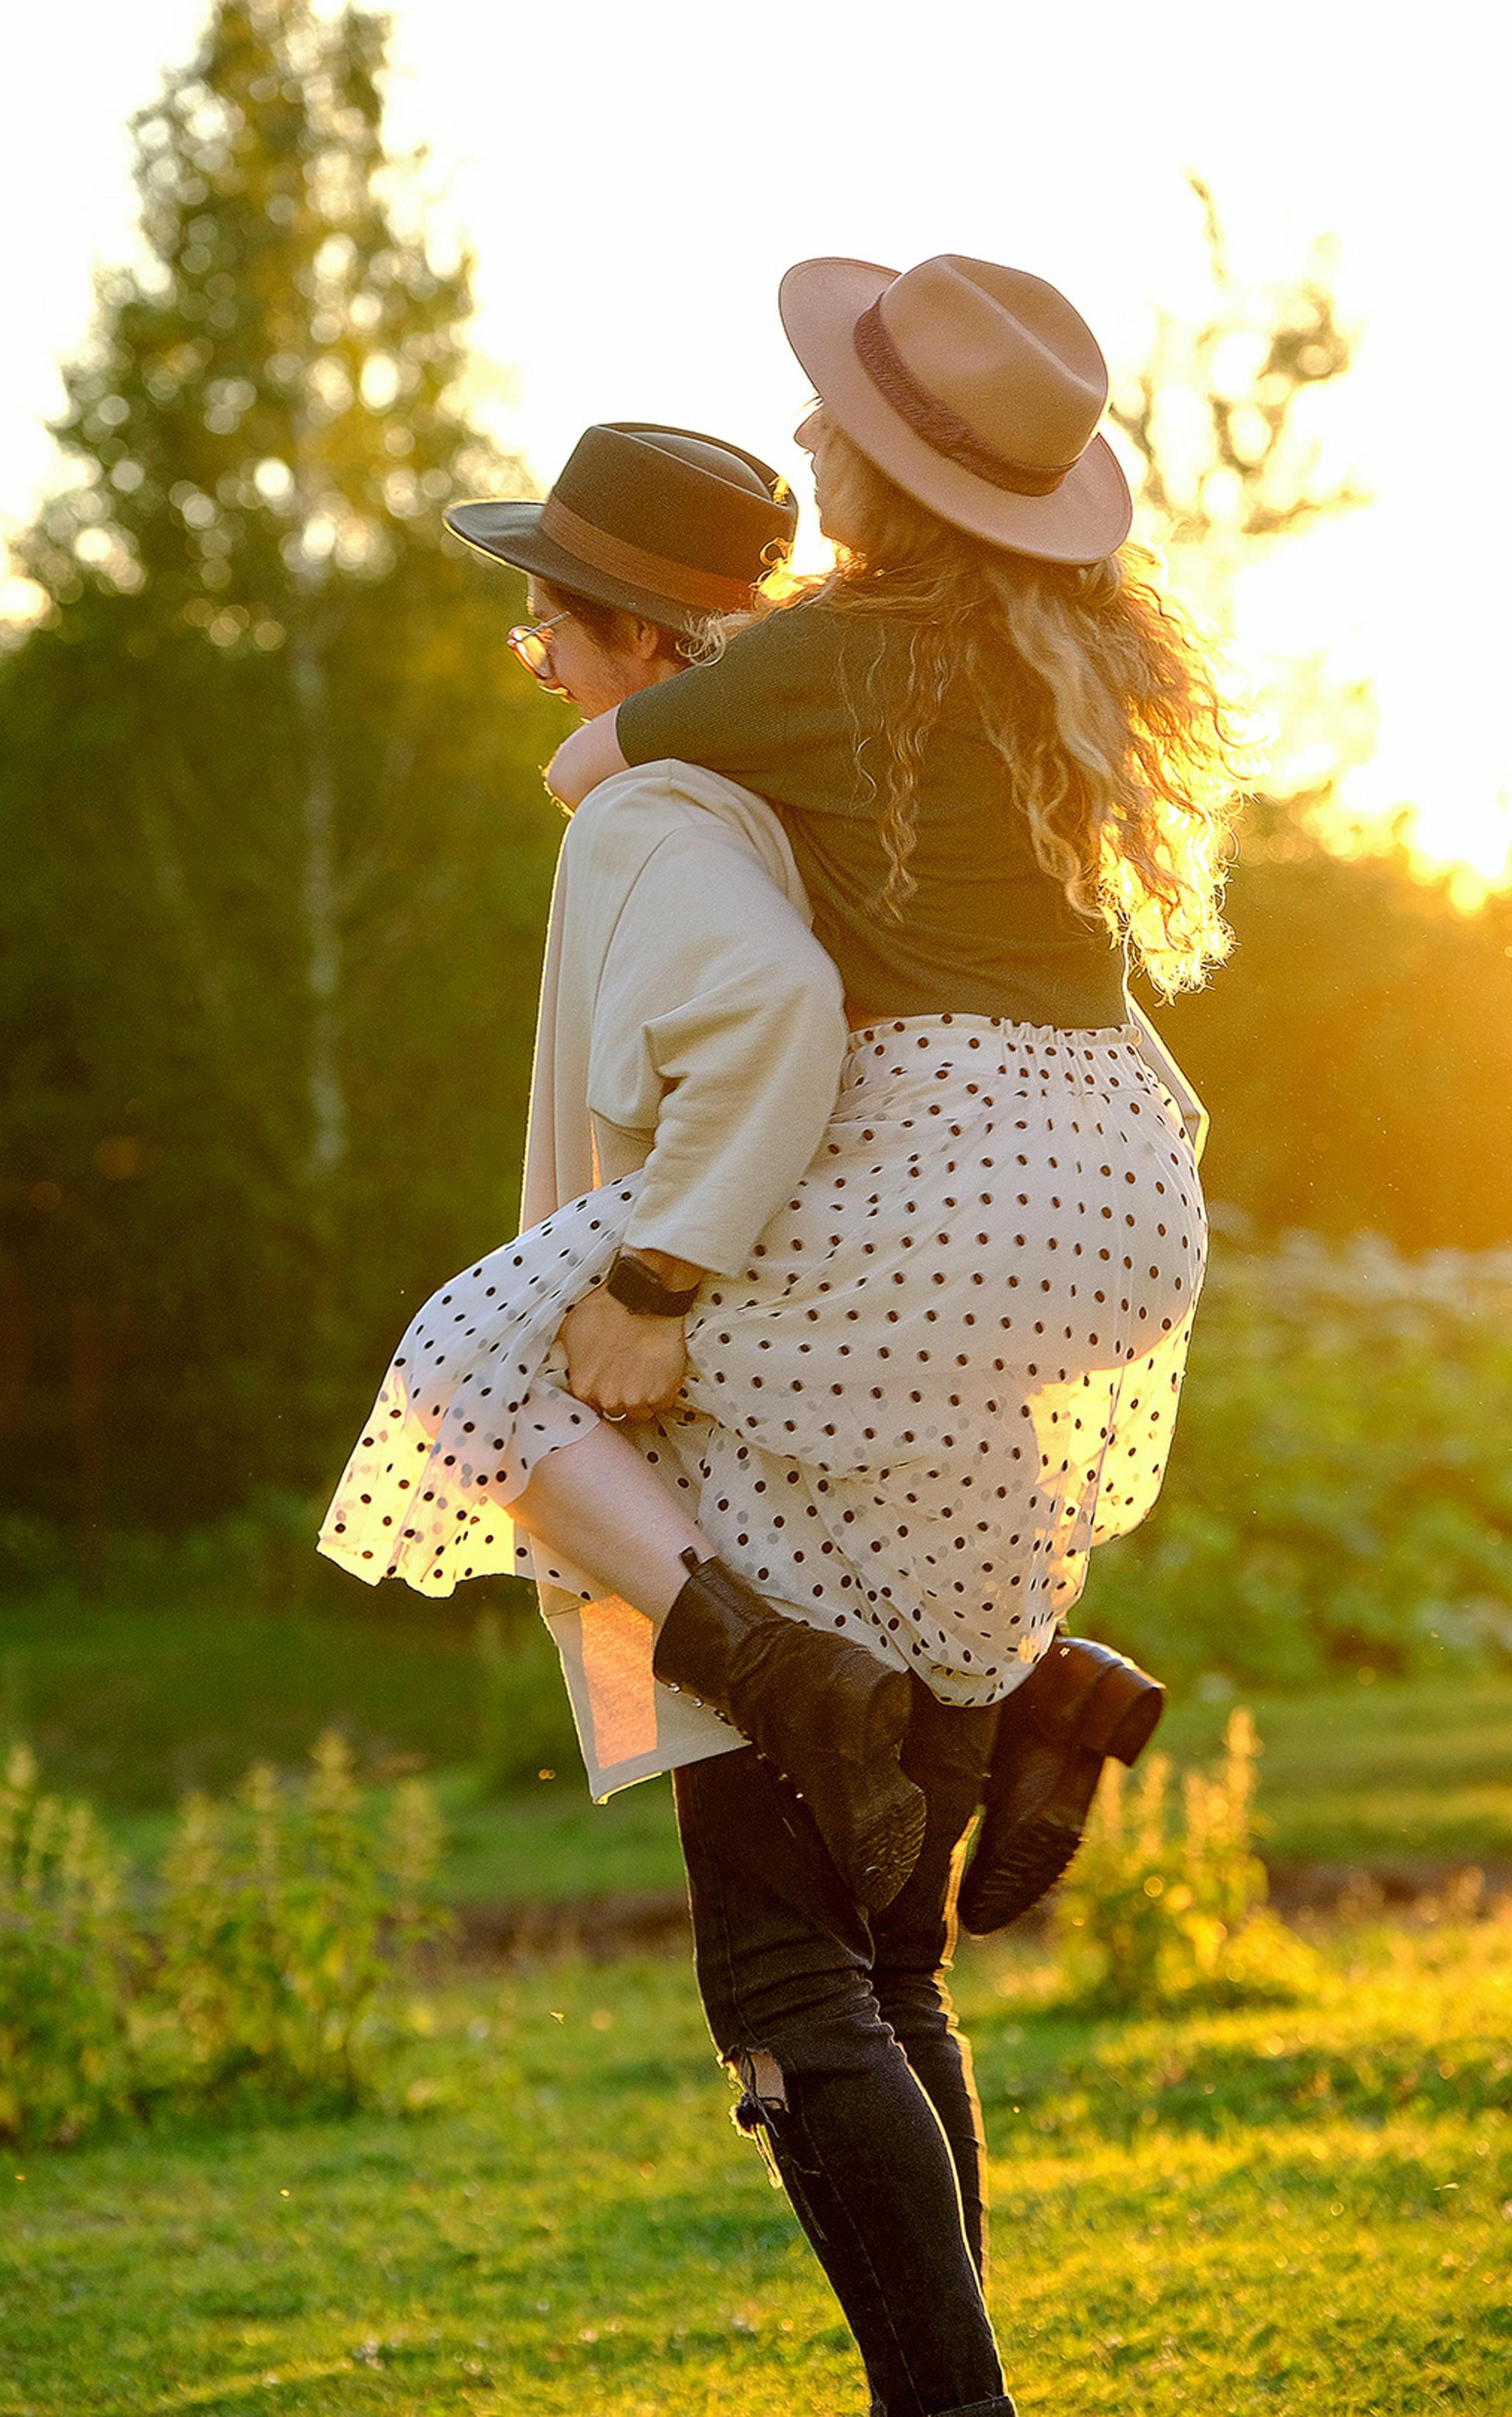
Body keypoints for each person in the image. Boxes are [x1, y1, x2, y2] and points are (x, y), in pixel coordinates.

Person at [323, 256, 1235, 2417]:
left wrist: (656, 1284)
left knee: (486, 1363)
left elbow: (596, 770)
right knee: (882, 1794)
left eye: (841, 427)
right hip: (1117, 1170)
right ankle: (1013, 1683)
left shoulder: (827, 665)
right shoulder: (1060, 647)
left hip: (947, 1167)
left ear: (899, 478)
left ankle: (809, 1675)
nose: (814, 440)